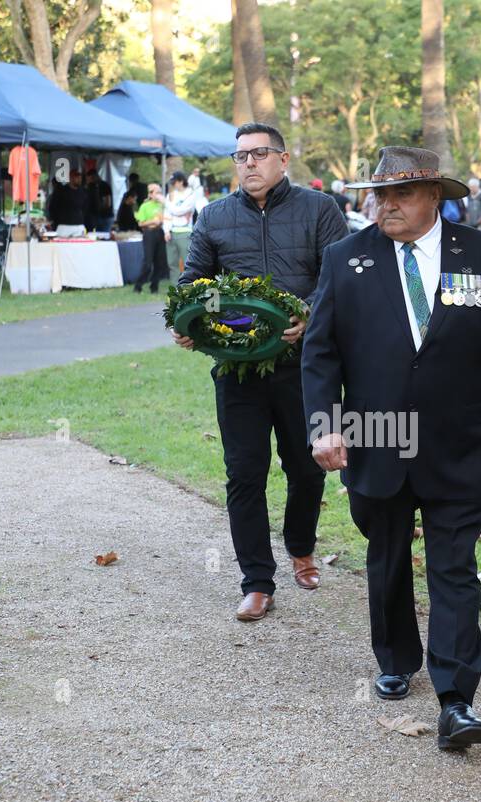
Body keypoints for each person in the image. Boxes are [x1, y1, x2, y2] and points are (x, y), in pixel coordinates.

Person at [302, 145, 481, 751]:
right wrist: (324, 425)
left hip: (460, 442)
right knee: (386, 557)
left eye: (401, 194)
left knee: (454, 567)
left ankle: (456, 700)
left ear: (435, 196)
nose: (386, 205)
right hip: (375, 438)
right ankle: (395, 657)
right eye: (379, 195)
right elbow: (321, 352)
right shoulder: (345, 258)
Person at [174, 122, 348, 621]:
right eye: (240, 156)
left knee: (307, 468)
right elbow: (194, 283)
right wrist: (191, 322)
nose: (248, 163)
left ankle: (301, 547)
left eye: (259, 153)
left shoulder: (320, 209)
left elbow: (340, 279)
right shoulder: (214, 216)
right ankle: (256, 581)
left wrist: (308, 315)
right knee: (244, 475)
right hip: (239, 370)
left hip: (306, 368)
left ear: (283, 159)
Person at [163, 171, 198, 279]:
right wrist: (166, 231)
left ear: (181, 181)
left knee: (188, 262)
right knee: (172, 263)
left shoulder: (191, 194)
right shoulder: (171, 195)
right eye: (172, 183)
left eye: (174, 182)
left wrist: (166, 203)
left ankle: (190, 285)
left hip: (185, 232)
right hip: (171, 232)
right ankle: (175, 286)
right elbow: (167, 214)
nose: (173, 185)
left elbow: (179, 211)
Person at [132, 181, 166, 293]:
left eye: (160, 192)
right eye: (157, 192)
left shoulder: (162, 205)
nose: (159, 195)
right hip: (149, 233)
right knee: (148, 262)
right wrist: (152, 221)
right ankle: (138, 285)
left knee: (159, 262)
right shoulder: (145, 206)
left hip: (160, 232)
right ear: (151, 194)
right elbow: (141, 223)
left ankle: (154, 287)